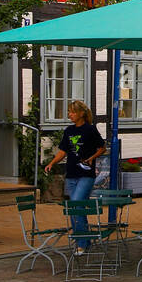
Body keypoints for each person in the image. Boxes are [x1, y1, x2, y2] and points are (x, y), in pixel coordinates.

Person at [45, 101, 106, 254]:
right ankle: (85, 241)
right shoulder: (69, 131)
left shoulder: (90, 130)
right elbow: (63, 151)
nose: (69, 114)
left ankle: (81, 244)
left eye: (72, 112)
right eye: (69, 112)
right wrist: (52, 163)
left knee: (75, 204)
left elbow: (102, 148)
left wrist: (92, 157)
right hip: (71, 174)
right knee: (76, 208)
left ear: (81, 114)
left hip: (85, 175)